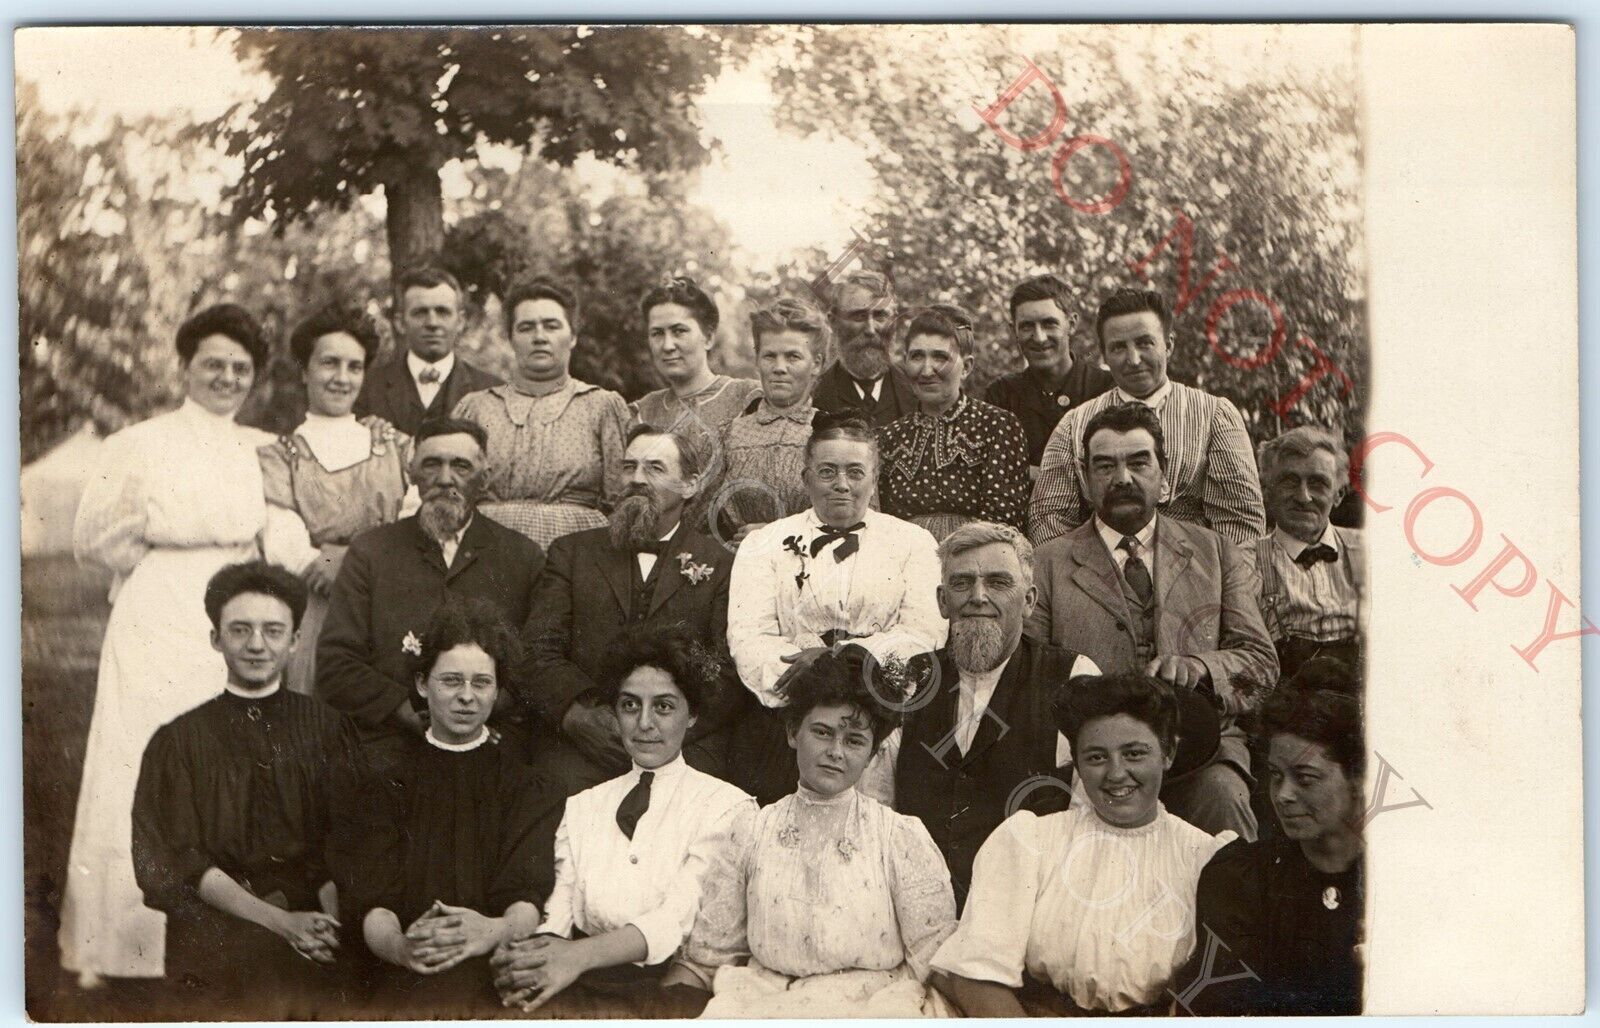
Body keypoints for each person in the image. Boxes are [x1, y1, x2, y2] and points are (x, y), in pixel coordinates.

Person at [64, 303, 277, 985]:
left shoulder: (262, 446)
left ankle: (216, 937)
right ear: (185, 365)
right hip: (159, 613)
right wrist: (168, 543)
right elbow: (94, 538)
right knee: (140, 756)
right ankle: (117, 945)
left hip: (236, 610)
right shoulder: (139, 441)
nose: (226, 376)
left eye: (240, 368)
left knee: (227, 762)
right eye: (212, 363)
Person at [1029, 402, 1278, 840]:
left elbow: (1260, 663)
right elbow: (1029, 674)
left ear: (1165, 477)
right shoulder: (1047, 563)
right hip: (1092, 761)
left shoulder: (1217, 553)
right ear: (1086, 481)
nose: (1122, 478)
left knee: (1223, 799)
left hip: (1199, 752)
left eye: (1138, 462)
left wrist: (1202, 667)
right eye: (1105, 465)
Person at [669, 645, 958, 1017]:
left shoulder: (898, 838)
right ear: (793, 731)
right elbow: (708, 957)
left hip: (875, 1008)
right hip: (762, 1004)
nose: (836, 751)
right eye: (822, 733)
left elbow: (936, 960)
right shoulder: (752, 831)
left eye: (854, 740)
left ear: (872, 754)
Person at [130, 562, 366, 1017]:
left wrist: (330, 925)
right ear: (216, 639)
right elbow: (178, 864)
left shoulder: (329, 730)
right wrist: (281, 924)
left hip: (316, 920)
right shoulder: (177, 742)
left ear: (296, 641)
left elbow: (347, 843)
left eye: (273, 631)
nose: (257, 645)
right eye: (240, 630)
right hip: (217, 929)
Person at [930, 672, 1233, 1016]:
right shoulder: (1032, 842)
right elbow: (976, 979)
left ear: (1168, 753)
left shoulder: (1208, 860)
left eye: (1134, 754)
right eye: (1096, 757)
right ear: (1077, 762)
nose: (1116, 774)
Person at [490, 624, 754, 1017]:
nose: (644, 723)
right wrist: (532, 958)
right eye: (630, 705)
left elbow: (675, 919)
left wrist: (574, 958)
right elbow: (559, 908)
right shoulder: (583, 805)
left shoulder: (726, 806)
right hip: (576, 977)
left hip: (669, 987)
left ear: (693, 714)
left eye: (663, 706)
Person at [340, 599, 564, 1017]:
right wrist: (404, 950)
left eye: (481, 683)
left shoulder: (527, 787)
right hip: (401, 970)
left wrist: (488, 932)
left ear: (498, 690)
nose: (466, 697)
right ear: (423, 684)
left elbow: (527, 897)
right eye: (451, 681)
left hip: (496, 965)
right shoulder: (382, 785)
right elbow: (372, 903)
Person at [727, 412, 946, 804]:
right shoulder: (764, 544)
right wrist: (812, 692)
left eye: (855, 472)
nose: (841, 485)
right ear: (805, 478)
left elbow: (922, 633)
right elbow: (748, 637)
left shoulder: (914, 542)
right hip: (792, 719)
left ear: (874, 479)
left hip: (880, 718)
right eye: (827, 471)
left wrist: (841, 660)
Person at [316, 417, 544, 778]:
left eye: (461, 466)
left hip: (493, 736)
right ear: (411, 474)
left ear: (484, 478)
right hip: (389, 736)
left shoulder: (522, 556)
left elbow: (535, 665)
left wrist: (480, 715)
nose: (445, 478)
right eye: (431, 464)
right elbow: (335, 662)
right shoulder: (372, 551)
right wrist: (404, 710)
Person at [887, 522, 1099, 908]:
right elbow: (878, 807)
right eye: (961, 583)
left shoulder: (1073, 678)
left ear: (1030, 601)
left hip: (1029, 907)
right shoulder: (911, 678)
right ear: (941, 601)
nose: (978, 597)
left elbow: (1087, 819)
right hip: (917, 903)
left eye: (999, 583)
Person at [525, 426, 745, 794]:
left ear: (689, 485)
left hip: (683, 744)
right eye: (629, 468)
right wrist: (576, 715)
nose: (637, 479)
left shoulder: (720, 563)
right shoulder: (572, 553)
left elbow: (726, 669)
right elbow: (537, 650)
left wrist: (671, 727)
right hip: (586, 742)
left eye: (655, 468)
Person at [1177, 662, 1365, 1015]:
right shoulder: (1239, 878)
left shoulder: (1399, 885)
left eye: (1305, 779)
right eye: (1276, 775)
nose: (1283, 795)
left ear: (1359, 779)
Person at [1029, 287, 1265, 555]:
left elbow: (1240, 523)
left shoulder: (1214, 415)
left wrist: (1218, 584)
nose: (1133, 359)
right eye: (1118, 348)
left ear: (1169, 345)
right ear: (1104, 355)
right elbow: (1049, 519)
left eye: (1144, 343)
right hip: (1101, 576)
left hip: (1195, 575)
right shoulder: (1075, 423)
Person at [260, 302, 413, 695]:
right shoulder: (281, 455)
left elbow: (415, 525)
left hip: (391, 602)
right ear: (305, 370)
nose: (342, 378)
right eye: (330, 363)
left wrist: (348, 557)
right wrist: (325, 561)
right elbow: (286, 544)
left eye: (354, 366)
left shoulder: (394, 446)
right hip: (318, 610)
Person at [452, 277, 630, 548]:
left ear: (572, 337)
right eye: (526, 327)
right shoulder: (475, 408)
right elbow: (452, 492)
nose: (539, 337)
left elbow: (623, 502)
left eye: (551, 325)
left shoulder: (602, 406)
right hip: (487, 555)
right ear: (510, 338)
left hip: (578, 555)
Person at [878, 306, 1030, 539]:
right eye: (917, 356)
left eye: (941, 357)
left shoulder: (997, 426)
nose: (927, 370)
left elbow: (1003, 523)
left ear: (966, 366)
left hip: (975, 560)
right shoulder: (888, 437)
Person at [629, 275, 761, 536]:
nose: (667, 345)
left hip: (729, 554)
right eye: (657, 333)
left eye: (679, 331)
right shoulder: (642, 411)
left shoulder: (747, 398)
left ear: (709, 338)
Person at [1254, 426, 1365, 684]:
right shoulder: (1243, 562)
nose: (1303, 497)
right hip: (1288, 712)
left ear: (1338, 495)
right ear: (1267, 490)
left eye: (1318, 483)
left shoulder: (1372, 552)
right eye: (1289, 481)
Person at [712, 296, 827, 542]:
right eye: (770, 356)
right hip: (739, 568)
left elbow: (861, 523)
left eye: (793, 357)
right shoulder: (730, 434)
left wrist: (777, 534)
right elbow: (699, 521)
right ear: (757, 359)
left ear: (816, 363)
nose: (779, 367)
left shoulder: (831, 434)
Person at [982, 273, 1114, 475]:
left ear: (1071, 324)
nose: (1039, 337)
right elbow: (994, 470)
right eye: (1027, 326)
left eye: (1049, 324)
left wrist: (1028, 473)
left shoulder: (1105, 388)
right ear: (1013, 330)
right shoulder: (1001, 395)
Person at [354, 266, 501, 436]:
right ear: (400, 323)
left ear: (460, 321)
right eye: (420, 312)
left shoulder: (491, 391)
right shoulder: (366, 388)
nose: (432, 323)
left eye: (442, 312)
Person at [811, 269, 916, 427]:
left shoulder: (918, 393)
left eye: (881, 316)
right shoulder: (812, 398)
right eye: (859, 316)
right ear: (833, 322)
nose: (871, 329)